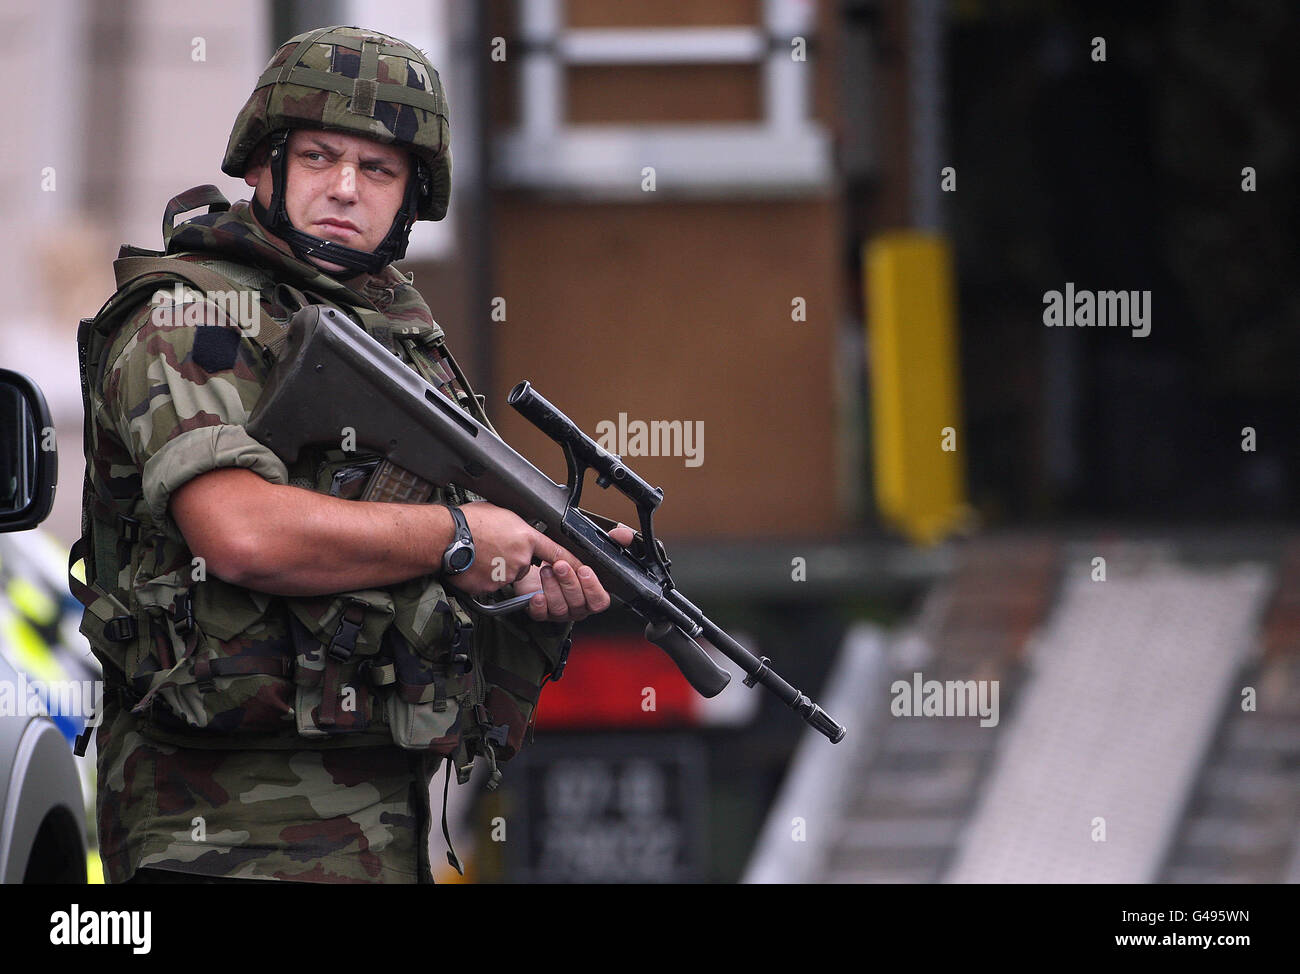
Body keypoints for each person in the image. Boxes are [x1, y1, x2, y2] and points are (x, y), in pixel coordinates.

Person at [73, 25, 630, 884]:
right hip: (220, 838)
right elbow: (240, 532)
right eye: (320, 157)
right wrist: (459, 535)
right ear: (264, 165)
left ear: (410, 198)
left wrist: (524, 577)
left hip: (380, 829)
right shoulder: (188, 318)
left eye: (377, 171)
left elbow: (414, 566)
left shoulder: (399, 337)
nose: (343, 188)